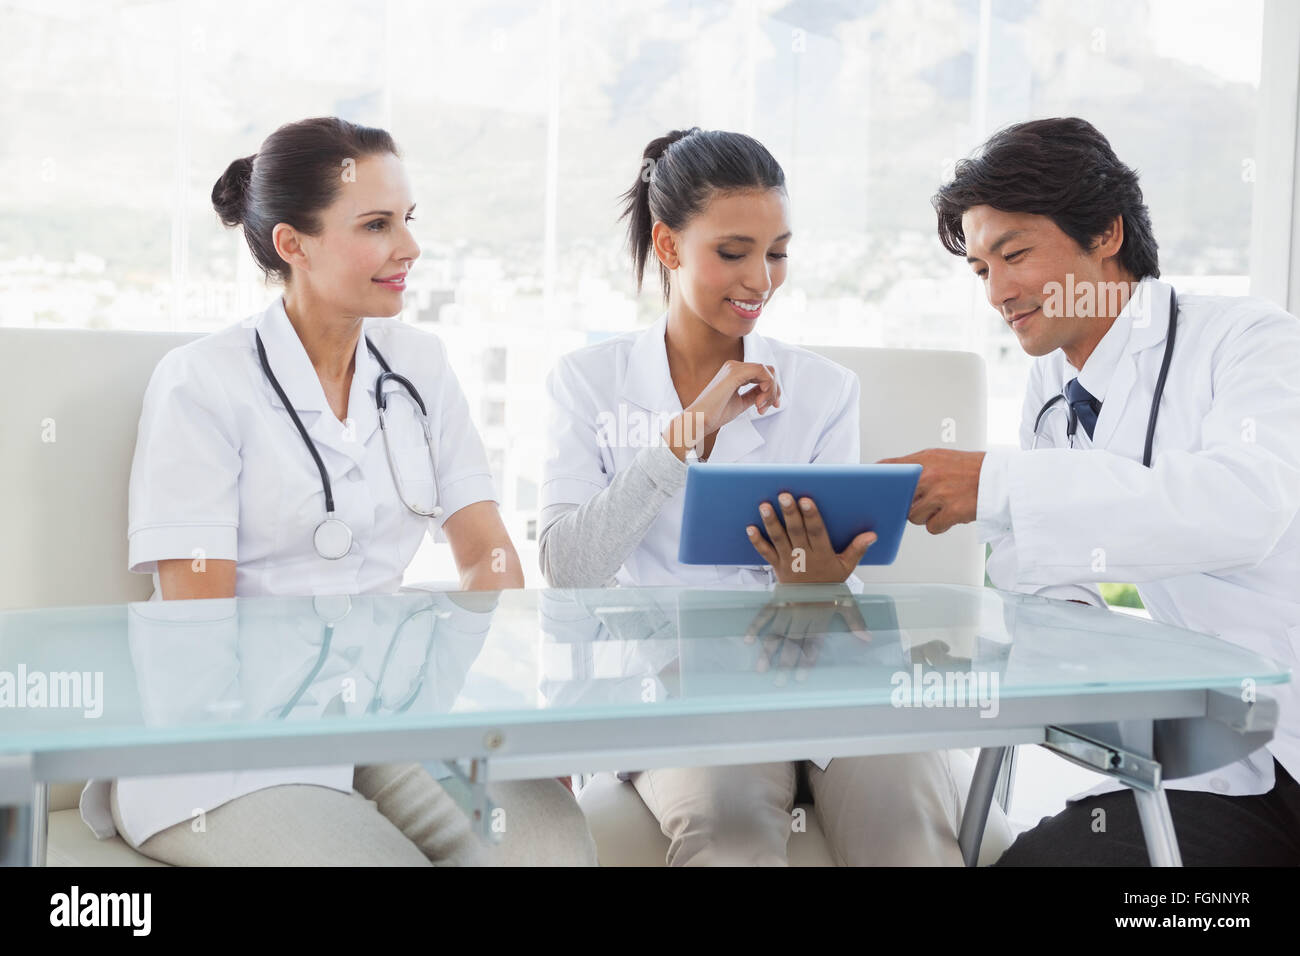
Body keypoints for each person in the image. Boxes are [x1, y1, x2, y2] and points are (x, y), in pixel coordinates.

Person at [78, 116, 596, 866]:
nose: (409, 249)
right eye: (377, 225)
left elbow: (490, 564)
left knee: (546, 844)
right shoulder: (203, 384)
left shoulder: (421, 366)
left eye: (408, 221)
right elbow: (200, 625)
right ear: (294, 244)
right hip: (232, 740)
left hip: (392, 712)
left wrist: (490, 717)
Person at [539, 127, 1001, 866]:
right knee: (729, 828)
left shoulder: (822, 389)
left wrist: (815, 577)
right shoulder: (589, 382)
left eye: (777, 253)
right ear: (668, 245)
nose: (760, 279)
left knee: (907, 815)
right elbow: (567, 567)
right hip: (676, 683)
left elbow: (837, 580)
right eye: (733, 252)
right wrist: (680, 442)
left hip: (826, 673)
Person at [886, 116, 1300, 865]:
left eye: (1014, 254)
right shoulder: (1052, 389)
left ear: (1105, 234)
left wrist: (998, 482)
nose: (999, 292)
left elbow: (1245, 509)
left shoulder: (1252, 341)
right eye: (981, 270)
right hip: (1221, 756)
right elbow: (1046, 574)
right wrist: (1043, 639)